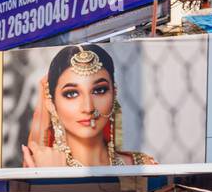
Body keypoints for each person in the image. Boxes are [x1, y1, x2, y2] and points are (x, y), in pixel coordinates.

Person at [22, 44, 156, 169]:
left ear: (114, 93)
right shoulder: (42, 167)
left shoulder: (141, 165)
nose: (88, 107)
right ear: (51, 102)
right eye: (71, 93)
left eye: (99, 90)